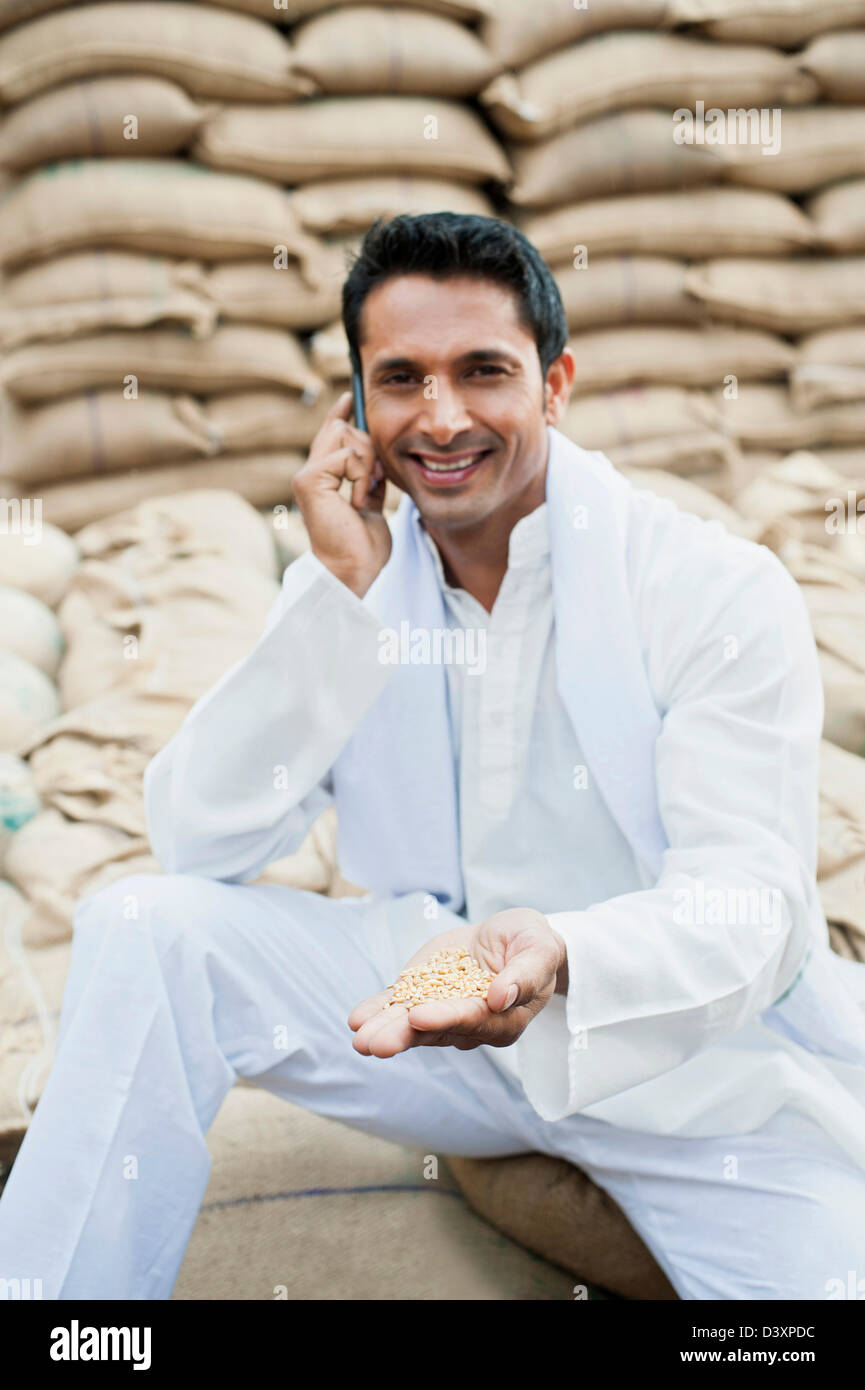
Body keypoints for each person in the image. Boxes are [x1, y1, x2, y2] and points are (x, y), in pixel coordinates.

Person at [2, 212, 865, 1302]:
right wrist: (338, 600)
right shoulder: (361, 575)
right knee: (144, 928)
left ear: (554, 384)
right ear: (354, 407)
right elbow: (200, 836)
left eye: (483, 372)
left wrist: (558, 952)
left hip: (690, 1072)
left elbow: (751, 906)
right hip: (421, 1002)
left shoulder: (708, 589)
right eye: (401, 378)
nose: (442, 417)